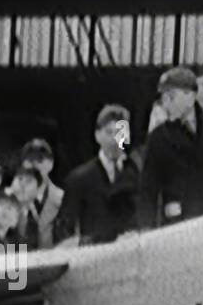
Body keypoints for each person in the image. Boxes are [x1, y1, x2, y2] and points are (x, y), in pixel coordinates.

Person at [137, 68, 203, 229]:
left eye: (170, 97)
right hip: (177, 225)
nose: (165, 104)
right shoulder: (159, 138)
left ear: (190, 97)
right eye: (163, 98)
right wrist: (145, 228)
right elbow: (148, 189)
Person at [56, 104, 140, 246]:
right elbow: (64, 229)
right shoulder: (79, 179)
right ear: (97, 136)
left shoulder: (137, 174)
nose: (115, 140)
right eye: (109, 132)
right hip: (95, 257)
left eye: (120, 134)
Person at [18, 138, 63, 244]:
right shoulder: (12, 200)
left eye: (40, 159)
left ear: (51, 164)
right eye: (30, 160)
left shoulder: (62, 199)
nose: (35, 165)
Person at [8, 162, 54, 250]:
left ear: (38, 188)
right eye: (19, 179)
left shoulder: (45, 211)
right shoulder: (0, 207)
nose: (22, 185)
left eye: (29, 181)